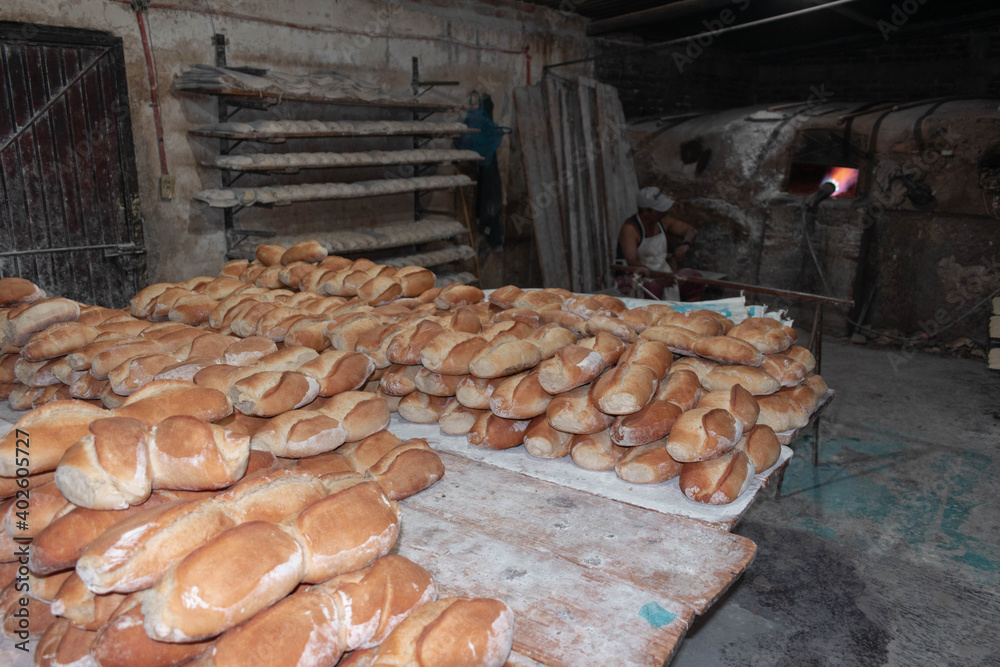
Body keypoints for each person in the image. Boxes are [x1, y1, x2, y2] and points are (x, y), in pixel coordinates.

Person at [615, 186, 702, 301]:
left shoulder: (663, 221)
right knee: (654, 289)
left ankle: (689, 313)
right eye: (659, 210)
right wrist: (657, 277)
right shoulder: (630, 228)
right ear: (646, 211)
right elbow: (633, 262)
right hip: (636, 278)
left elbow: (690, 230)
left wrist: (685, 244)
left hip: (663, 272)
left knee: (695, 279)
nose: (663, 213)